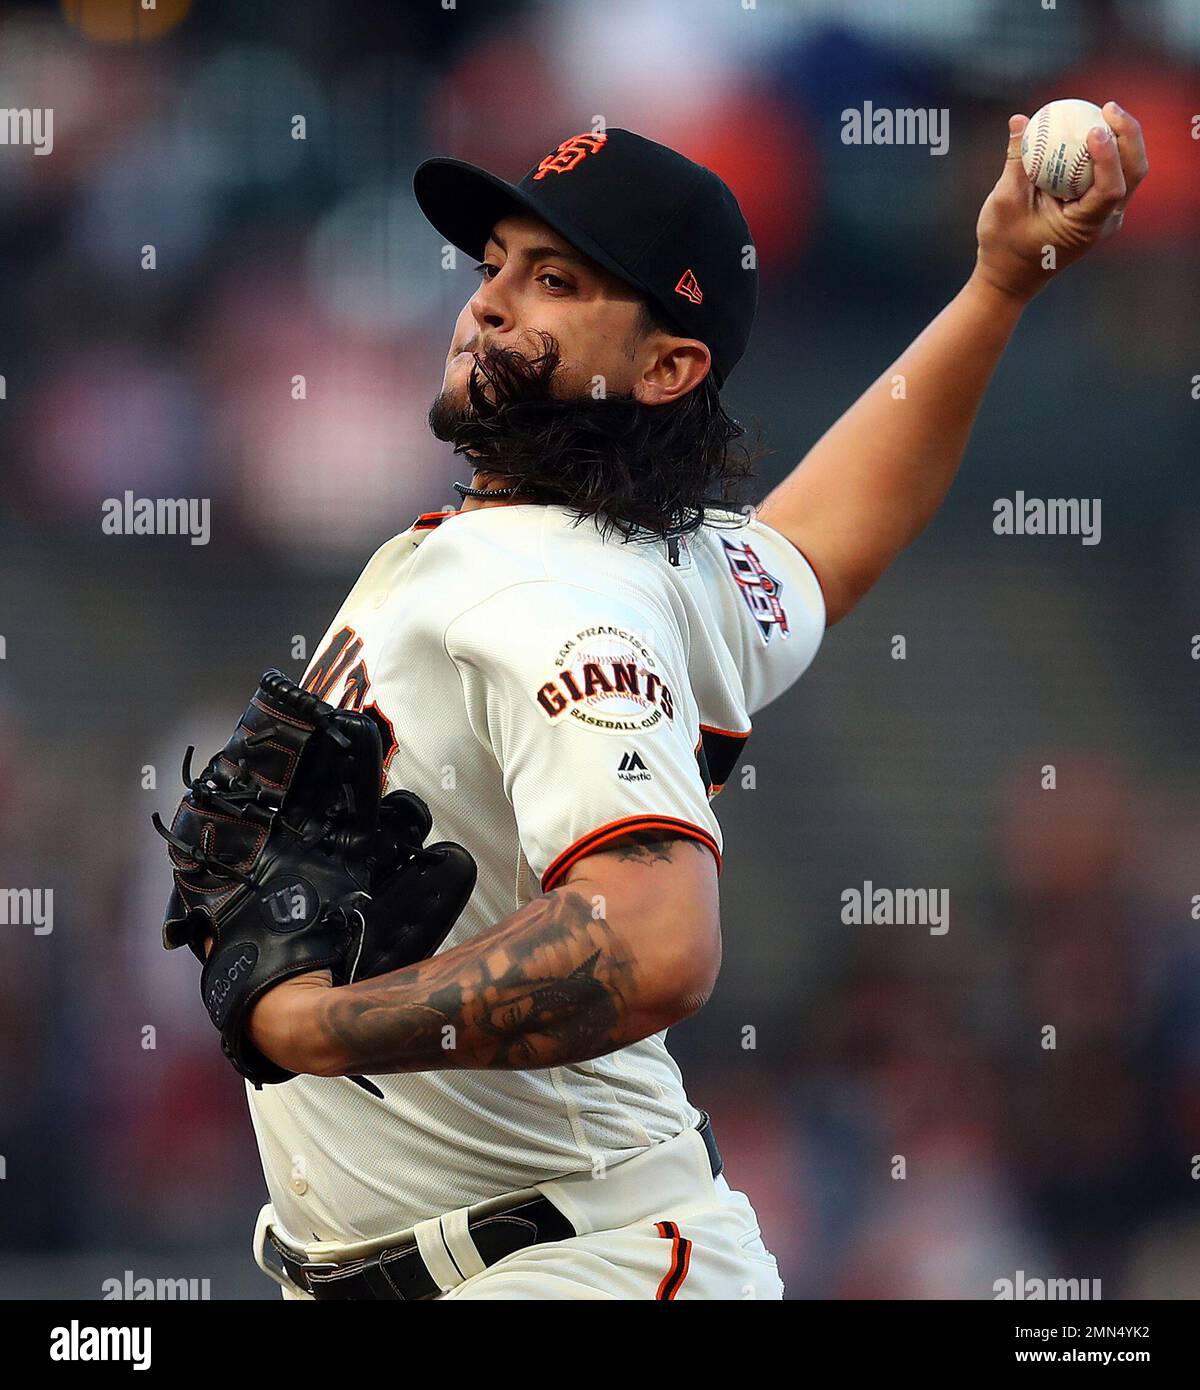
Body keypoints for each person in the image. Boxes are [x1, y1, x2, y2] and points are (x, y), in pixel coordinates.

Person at [240, 117, 1146, 1300]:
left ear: (668, 367)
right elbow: (825, 539)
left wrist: (309, 1028)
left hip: (567, 1265)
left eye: (555, 280)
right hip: (533, 1251)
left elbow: (654, 942)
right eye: (496, 265)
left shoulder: (553, 591)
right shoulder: (656, 565)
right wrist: (998, 281)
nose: (491, 303)